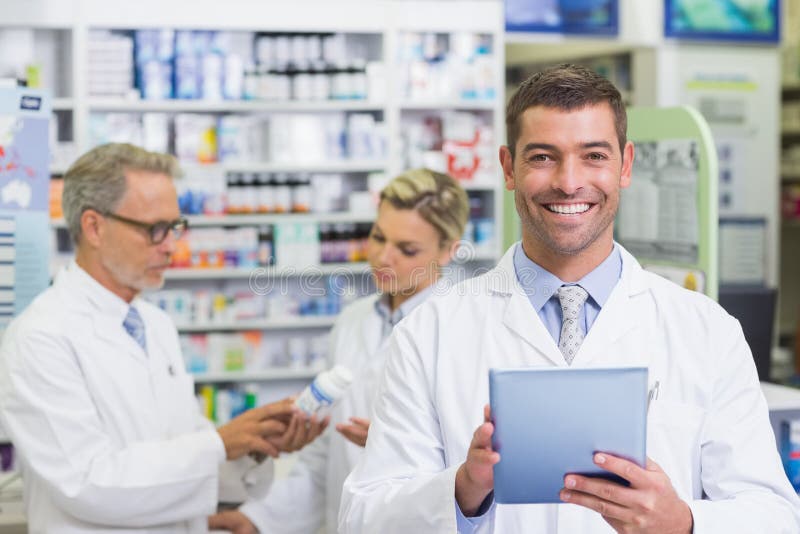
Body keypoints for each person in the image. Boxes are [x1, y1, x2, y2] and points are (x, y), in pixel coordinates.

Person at [339, 64, 800, 533]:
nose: (569, 181)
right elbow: (363, 518)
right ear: (507, 167)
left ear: (625, 165)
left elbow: (775, 515)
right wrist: (462, 489)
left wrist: (682, 522)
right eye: (542, 157)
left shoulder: (706, 330)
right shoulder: (430, 332)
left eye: (594, 155)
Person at [0, 143, 322, 533]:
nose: (172, 246)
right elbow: (86, 482)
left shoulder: (155, 324)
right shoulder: (40, 337)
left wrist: (253, 446)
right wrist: (220, 443)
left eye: (175, 226)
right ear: (94, 227)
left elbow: (184, 456)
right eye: (154, 229)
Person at [208, 168, 470, 534]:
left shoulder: (464, 330)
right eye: (378, 237)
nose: (383, 256)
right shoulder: (352, 321)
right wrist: (258, 519)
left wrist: (401, 441)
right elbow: (324, 460)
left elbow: (476, 470)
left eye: (407, 249)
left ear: (449, 251)